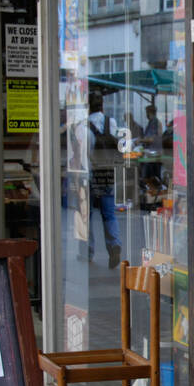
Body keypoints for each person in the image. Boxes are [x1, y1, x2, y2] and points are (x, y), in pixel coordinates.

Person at [86, 91, 123, 268]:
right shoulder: (111, 122)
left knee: (88, 215)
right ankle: (114, 244)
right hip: (107, 174)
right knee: (109, 214)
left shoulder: (84, 126)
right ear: (102, 105)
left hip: (91, 176)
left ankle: (89, 251)